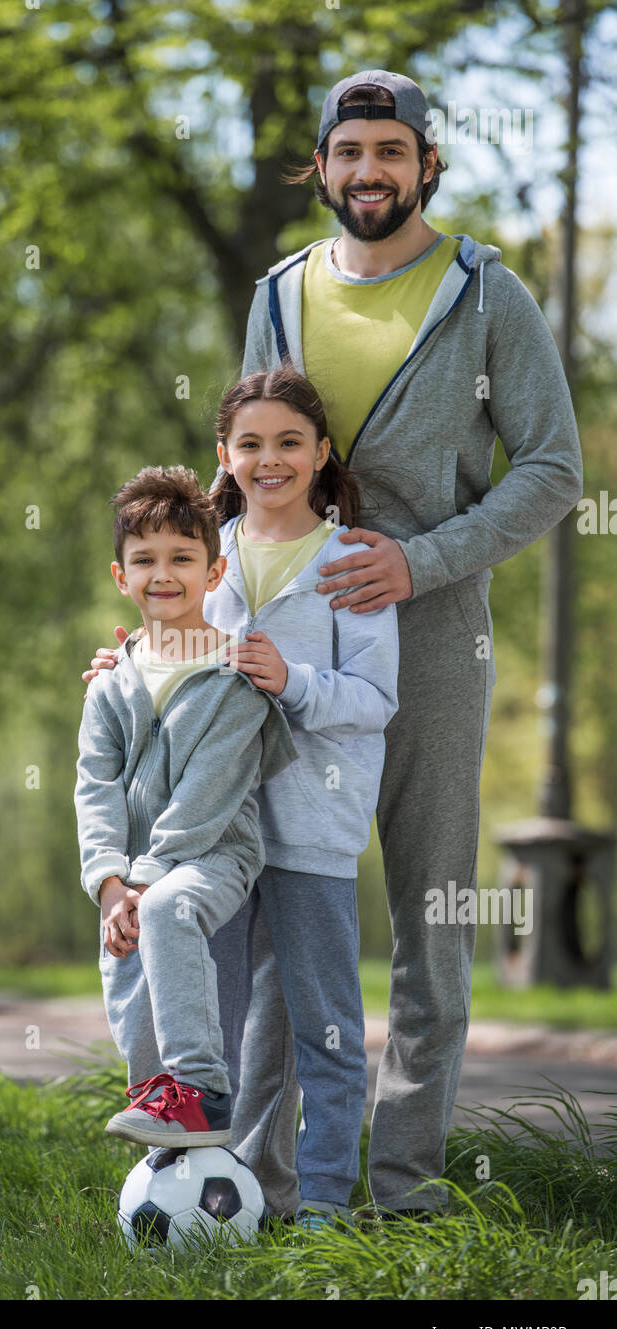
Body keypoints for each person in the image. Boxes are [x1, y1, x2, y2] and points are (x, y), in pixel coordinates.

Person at [205, 68, 585, 1220]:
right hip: (281, 639)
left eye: (391, 152)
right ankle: (264, 1186)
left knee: (430, 915)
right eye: (348, 152)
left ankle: (407, 1187)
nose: (368, 172)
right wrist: (180, 622)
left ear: (426, 164)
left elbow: (556, 471)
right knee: (278, 908)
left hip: (432, 639)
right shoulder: (279, 291)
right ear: (320, 167)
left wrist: (420, 560)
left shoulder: (487, 296)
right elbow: (247, 457)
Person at [83, 366, 399, 1228]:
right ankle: (213, 1191)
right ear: (224, 454)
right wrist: (124, 668)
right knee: (214, 1025)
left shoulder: (350, 561)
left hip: (310, 826)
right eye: (250, 444)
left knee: (320, 1029)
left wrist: (291, 679)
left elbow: (376, 699)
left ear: (320, 452)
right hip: (213, 834)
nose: (270, 460)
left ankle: (325, 1203)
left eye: (289, 442)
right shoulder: (204, 551)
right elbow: (175, 638)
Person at [74, 464, 298, 1148]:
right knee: (128, 968)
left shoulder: (235, 679)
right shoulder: (110, 686)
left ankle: (200, 1090)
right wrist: (110, 883)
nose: (162, 573)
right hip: (132, 873)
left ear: (214, 571)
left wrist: (145, 882)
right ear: (121, 578)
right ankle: (158, 1104)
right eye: (143, 560)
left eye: (181, 557)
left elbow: (206, 795)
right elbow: (95, 786)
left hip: (211, 854)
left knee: (167, 909)